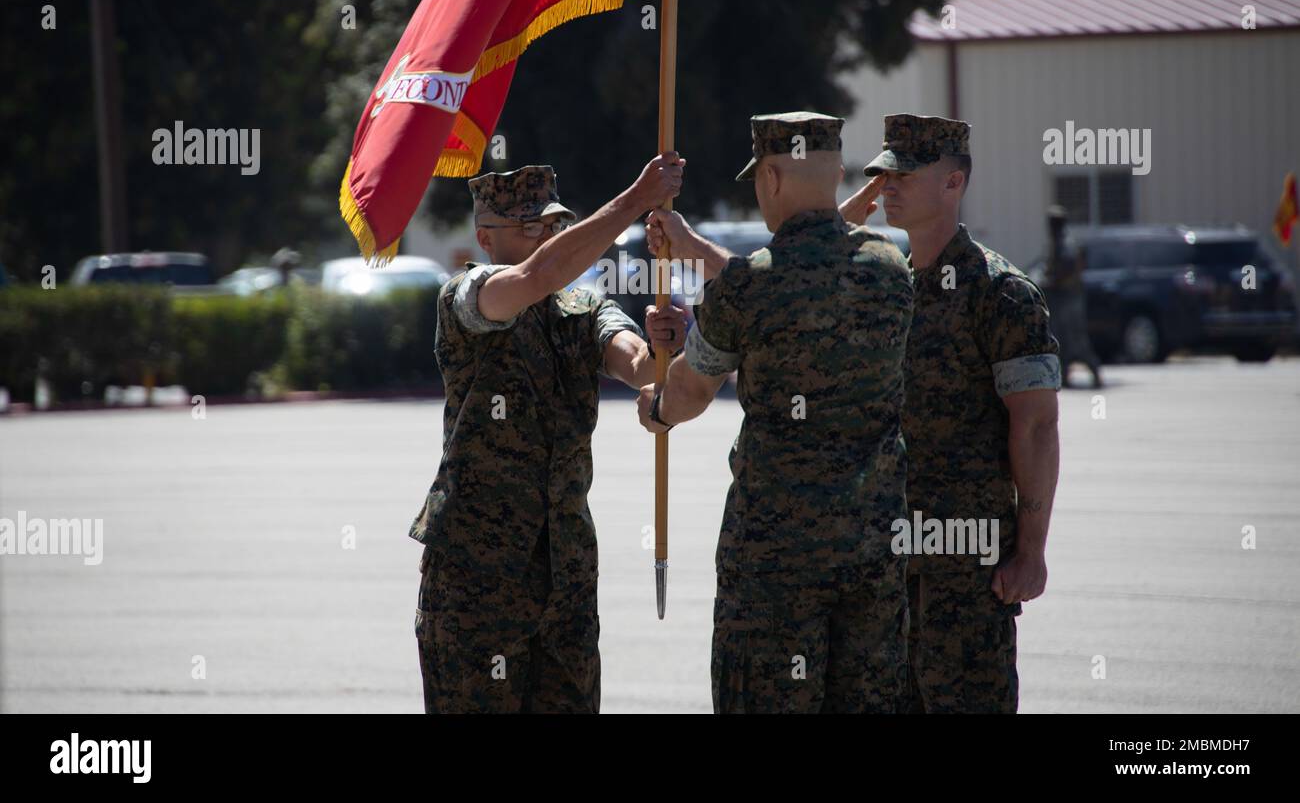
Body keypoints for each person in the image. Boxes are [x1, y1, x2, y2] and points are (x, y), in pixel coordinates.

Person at [637, 112, 914, 713]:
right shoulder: (891, 270)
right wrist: (689, 248)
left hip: (775, 559)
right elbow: (809, 277)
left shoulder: (750, 288)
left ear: (769, 176)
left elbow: (688, 394)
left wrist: (655, 406)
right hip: (873, 546)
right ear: (837, 173)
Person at [411, 159, 686, 713]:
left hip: (565, 575)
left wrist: (664, 348)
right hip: (477, 577)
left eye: (555, 223)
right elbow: (538, 276)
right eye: (532, 226)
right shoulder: (468, 297)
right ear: (486, 238)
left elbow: (633, 363)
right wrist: (636, 199)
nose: (549, 235)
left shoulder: (582, 311)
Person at [854, 113, 1062, 713]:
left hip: (966, 568)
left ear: (953, 183)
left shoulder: (1000, 293)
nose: (887, 186)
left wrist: (1031, 550)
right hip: (888, 563)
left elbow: (1037, 425)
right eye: (883, 175)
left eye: (904, 175)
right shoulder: (889, 287)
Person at [1043, 205, 1103, 388]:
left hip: (1070, 299)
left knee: (1076, 339)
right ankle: (1065, 376)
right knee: (1060, 339)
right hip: (1060, 298)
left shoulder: (1066, 242)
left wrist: (1054, 278)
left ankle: (1094, 370)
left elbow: (1069, 267)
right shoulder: (1056, 242)